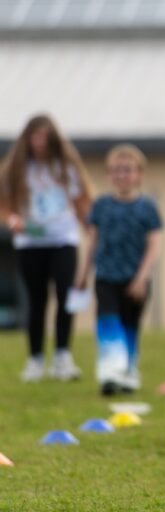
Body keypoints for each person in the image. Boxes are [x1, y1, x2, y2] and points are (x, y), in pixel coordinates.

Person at [0, 115, 94, 382]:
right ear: (27, 139)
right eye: (35, 136)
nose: (40, 142)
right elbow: (4, 204)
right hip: (30, 242)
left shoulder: (66, 168)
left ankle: (63, 356)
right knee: (37, 300)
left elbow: (81, 204)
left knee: (66, 297)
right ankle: (35, 359)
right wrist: (12, 220)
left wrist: (92, 231)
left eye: (44, 136)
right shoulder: (17, 170)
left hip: (63, 239)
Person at [75, 144, 163, 395]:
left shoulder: (148, 207)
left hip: (136, 279)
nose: (122, 175)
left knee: (130, 326)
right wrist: (83, 274)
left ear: (139, 174)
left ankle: (128, 372)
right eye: (116, 170)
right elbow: (93, 241)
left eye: (128, 170)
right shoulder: (101, 205)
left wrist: (142, 278)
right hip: (106, 276)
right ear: (109, 174)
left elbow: (154, 244)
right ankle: (111, 372)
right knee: (108, 321)